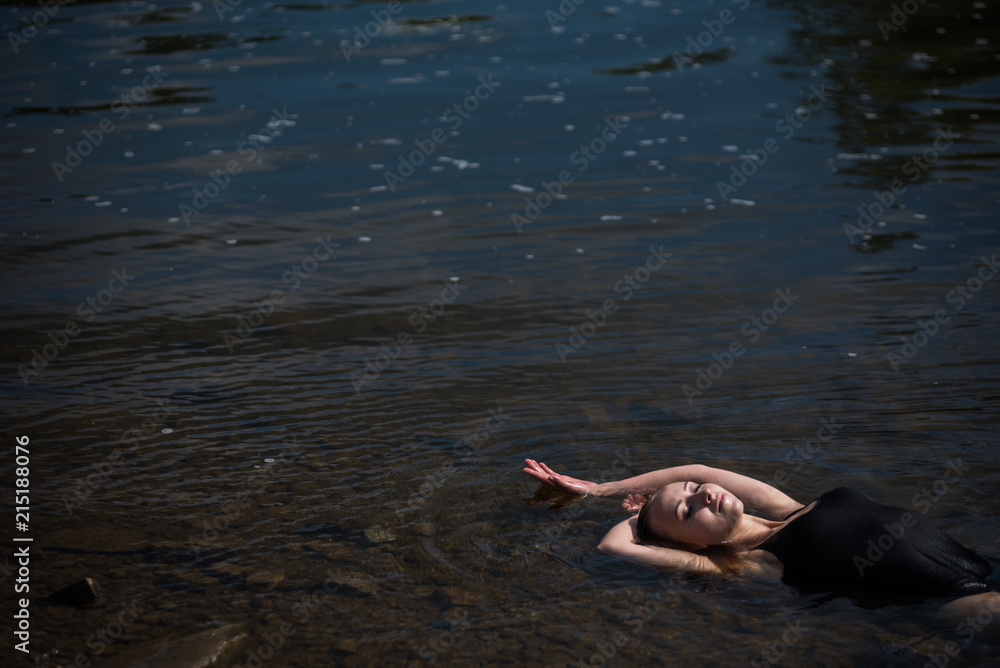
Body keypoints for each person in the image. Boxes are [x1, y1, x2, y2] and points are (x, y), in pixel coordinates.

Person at [522, 459, 1000, 624]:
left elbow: (699, 470)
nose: (702, 493)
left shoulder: (790, 507)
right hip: (969, 602)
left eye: (691, 494)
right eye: (689, 512)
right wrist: (640, 519)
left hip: (987, 566)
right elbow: (614, 548)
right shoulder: (762, 563)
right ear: (695, 549)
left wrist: (601, 489)